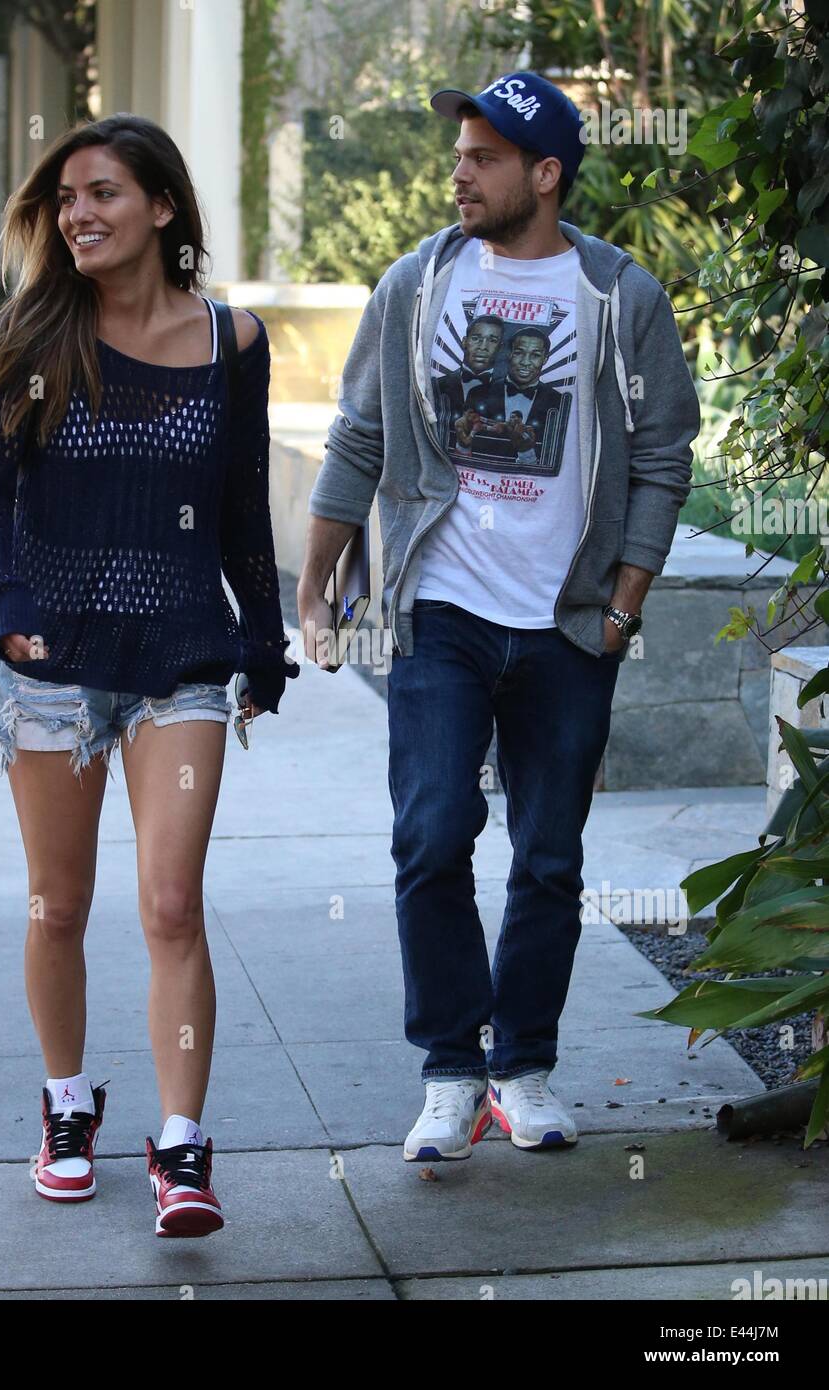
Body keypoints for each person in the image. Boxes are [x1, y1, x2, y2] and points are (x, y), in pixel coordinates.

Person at [298, 71, 700, 1163]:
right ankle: (448, 1069)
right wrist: (318, 579)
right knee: (431, 835)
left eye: (483, 156)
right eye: (460, 152)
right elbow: (358, 438)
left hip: (568, 624)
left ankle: (522, 1065)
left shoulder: (623, 299)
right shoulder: (418, 283)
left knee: (551, 857)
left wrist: (625, 601)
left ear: (546, 174)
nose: (459, 171)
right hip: (443, 608)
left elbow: (665, 458)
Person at [0, 114, 298, 1236]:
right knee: (59, 904)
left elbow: (244, 510)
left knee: (171, 902)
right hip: (53, 664)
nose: (79, 215)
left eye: (102, 193)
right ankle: (65, 1104)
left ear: (160, 208)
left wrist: (263, 637)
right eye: (64, 200)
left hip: (178, 658)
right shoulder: (39, 334)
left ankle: (182, 1147)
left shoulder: (229, 345)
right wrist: (3, 614)